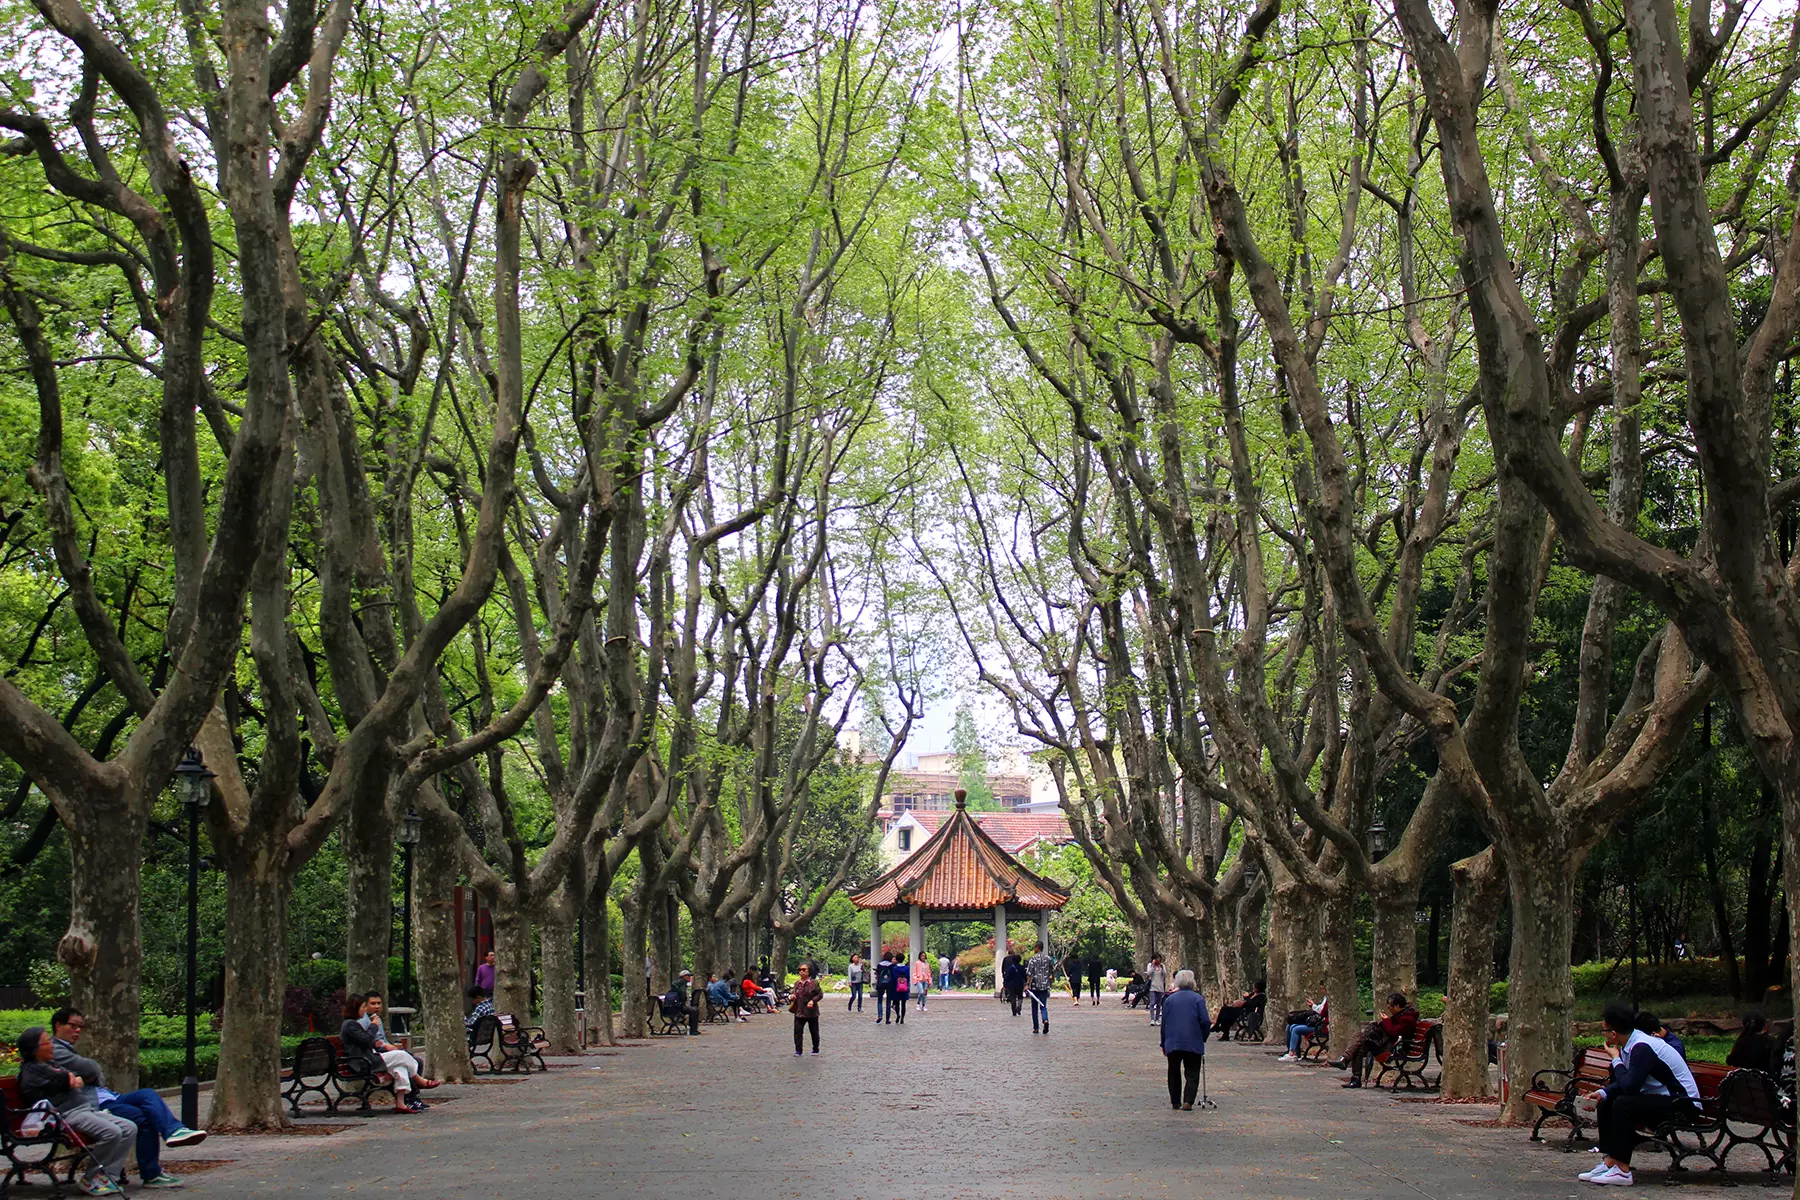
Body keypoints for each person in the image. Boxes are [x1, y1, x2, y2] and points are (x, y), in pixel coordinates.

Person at [50, 1008, 205, 1189]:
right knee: (142, 1118)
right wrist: (90, 1073)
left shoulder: (67, 1050)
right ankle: (151, 1173)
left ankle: (174, 1130)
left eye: (80, 1027)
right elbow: (92, 1069)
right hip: (97, 1104)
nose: (77, 1031)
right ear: (58, 1025)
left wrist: (89, 1074)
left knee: (147, 1094)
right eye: (73, 1026)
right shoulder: (56, 1050)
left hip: (109, 1097)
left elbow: (96, 1074)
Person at [1582, 1004, 1700, 1187]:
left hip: (1684, 1104)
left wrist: (1615, 1059)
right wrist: (1603, 1092)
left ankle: (1622, 1170)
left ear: (1613, 1033)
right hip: (1663, 1099)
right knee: (1606, 1101)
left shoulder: (1642, 1047)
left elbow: (1630, 1086)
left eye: (1603, 1030)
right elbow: (1628, 1079)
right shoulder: (1632, 1044)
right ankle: (1610, 1161)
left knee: (1623, 1104)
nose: (1602, 1035)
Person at [18, 1025, 134, 1195]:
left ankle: (108, 1176)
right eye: (46, 1043)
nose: (51, 1045)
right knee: (112, 1132)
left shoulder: (48, 1064)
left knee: (130, 1127)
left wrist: (72, 1079)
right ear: (34, 1049)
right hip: (65, 1115)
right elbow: (68, 1079)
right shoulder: (33, 1071)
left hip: (84, 1110)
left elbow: (73, 1078)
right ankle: (90, 1179)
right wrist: (71, 1079)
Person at [342, 992, 437, 1112]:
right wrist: (374, 1026)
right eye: (363, 1008)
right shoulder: (351, 1024)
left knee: (400, 1067)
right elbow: (366, 1039)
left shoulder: (354, 1023)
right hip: (363, 1062)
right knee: (402, 1055)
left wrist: (378, 1043)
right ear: (355, 1009)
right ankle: (418, 1079)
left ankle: (401, 1104)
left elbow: (365, 1041)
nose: (364, 1010)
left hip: (370, 1058)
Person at [1331, 992, 1418, 1087]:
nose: (1389, 1008)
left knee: (1359, 1039)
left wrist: (1386, 1020)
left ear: (1397, 1006)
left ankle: (1346, 1061)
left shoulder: (1407, 1019)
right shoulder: (1400, 1015)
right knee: (1359, 1045)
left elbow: (1393, 1033)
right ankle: (1352, 1074)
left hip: (1395, 1047)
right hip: (1387, 1044)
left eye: (1390, 1006)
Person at [1160, 969, 1213, 1110]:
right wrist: (1203, 1036)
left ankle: (1175, 1101)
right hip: (1193, 1040)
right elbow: (1206, 1021)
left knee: (1173, 1072)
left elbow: (1164, 1023)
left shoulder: (1169, 1000)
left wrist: (1163, 1042)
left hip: (1173, 1041)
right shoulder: (1198, 999)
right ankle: (1188, 1101)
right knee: (1192, 1072)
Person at [1276, 995, 1327, 1062]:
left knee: (1296, 1029)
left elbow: (1322, 1012)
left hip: (1322, 1026)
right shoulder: (1325, 998)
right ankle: (1294, 1051)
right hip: (1318, 1023)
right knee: (1292, 1026)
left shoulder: (1329, 999)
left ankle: (1292, 1053)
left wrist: (1313, 1006)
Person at [790, 963, 824, 1055]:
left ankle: (815, 1048)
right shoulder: (797, 983)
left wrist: (813, 1001)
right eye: (800, 970)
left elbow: (820, 994)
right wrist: (792, 996)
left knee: (814, 1031)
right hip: (799, 1011)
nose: (801, 972)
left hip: (811, 1011)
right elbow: (794, 993)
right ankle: (798, 1050)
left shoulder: (814, 983)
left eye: (804, 970)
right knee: (797, 1032)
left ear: (809, 972)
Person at [661, 970, 701, 1035]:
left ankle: (693, 1029)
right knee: (694, 1010)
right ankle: (693, 1030)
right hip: (678, 1007)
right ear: (684, 976)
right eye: (688, 976)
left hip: (678, 1006)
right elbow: (681, 995)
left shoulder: (683, 984)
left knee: (695, 1009)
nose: (690, 977)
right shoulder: (681, 984)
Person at [1025, 945, 1054, 1035]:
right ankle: (1045, 1019)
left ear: (1037, 948)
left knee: (1034, 1007)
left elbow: (1029, 973)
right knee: (1043, 1005)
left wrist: (1027, 984)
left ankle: (1036, 1028)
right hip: (1045, 985)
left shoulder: (1033, 959)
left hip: (1035, 985)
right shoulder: (1048, 958)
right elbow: (1052, 970)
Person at [1145, 954, 1169, 1026]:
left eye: (1158, 959)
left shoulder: (1162, 966)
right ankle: (1152, 1019)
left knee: (1159, 1004)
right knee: (1152, 1003)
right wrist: (1153, 966)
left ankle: (1157, 1019)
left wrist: (1162, 967)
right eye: (1156, 959)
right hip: (1152, 987)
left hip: (1160, 987)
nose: (1157, 960)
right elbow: (1149, 973)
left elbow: (1165, 974)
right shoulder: (1150, 965)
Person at [1002, 952, 1026, 1016]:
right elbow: (1025, 976)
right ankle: (1019, 1007)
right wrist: (1026, 983)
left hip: (1011, 985)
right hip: (1020, 984)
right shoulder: (1022, 967)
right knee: (1020, 996)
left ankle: (1014, 1010)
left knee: (1013, 997)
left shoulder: (1010, 968)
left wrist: (1005, 984)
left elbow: (1008, 976)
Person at [890, 951, 911, 1023]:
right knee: (903, 1004)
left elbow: (893, 978)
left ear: (897, 959)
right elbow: (908, 977)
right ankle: (902, 1018)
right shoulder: (907, 968)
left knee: (897, 1003)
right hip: (904, 987)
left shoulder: (894, 968)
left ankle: (897, 1014)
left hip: (896, 987)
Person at [875, 952, 895, 1024]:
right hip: (889, 984)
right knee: (888, 1001)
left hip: (881, 984)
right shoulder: (891, 965)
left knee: (880, 1000)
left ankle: (880, 1015)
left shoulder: (879, 965)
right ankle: (887, 1019)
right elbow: (893, 975)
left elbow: (877, 973)